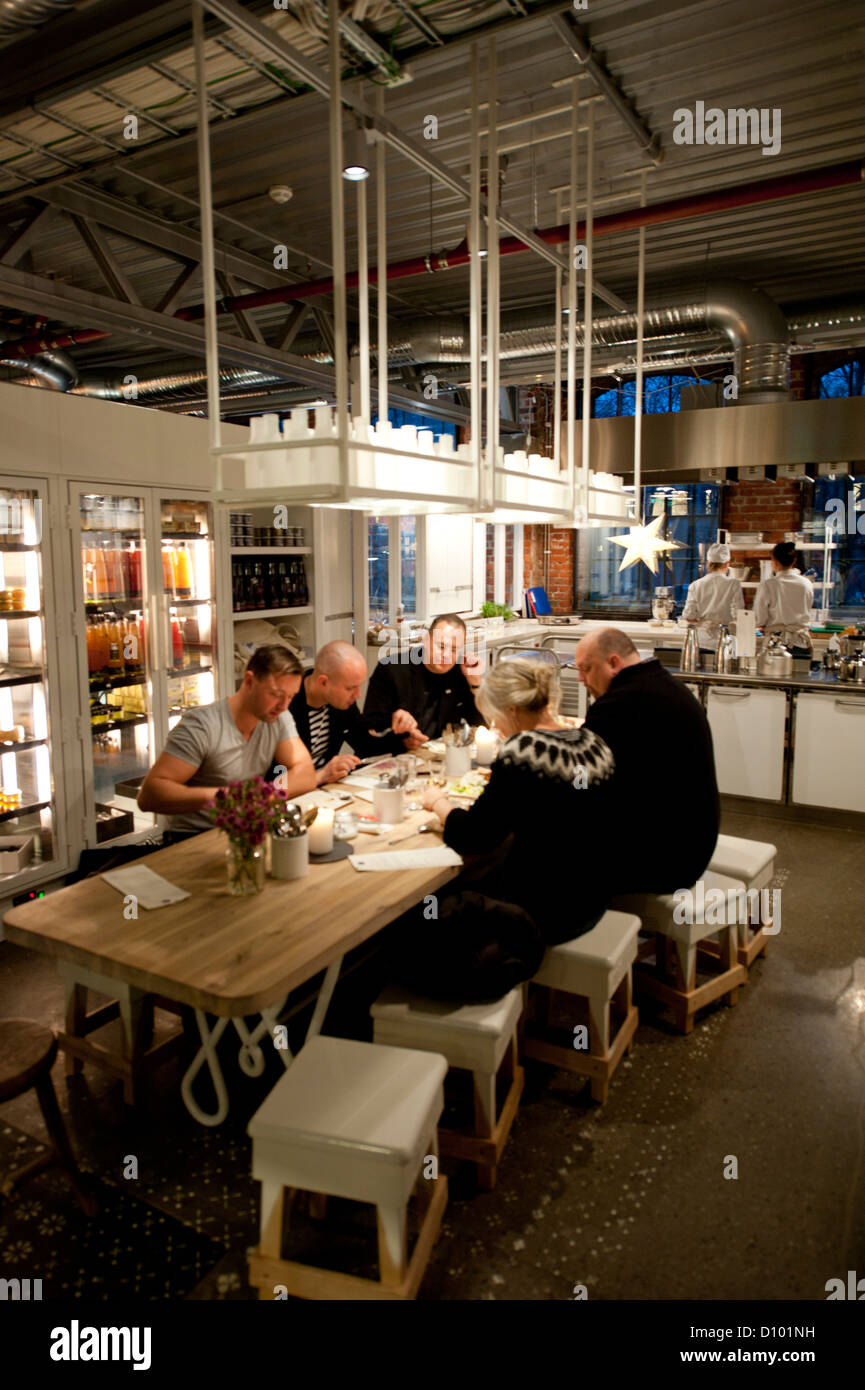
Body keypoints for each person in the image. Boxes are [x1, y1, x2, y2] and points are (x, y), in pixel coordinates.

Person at [575, 627, 720, 895]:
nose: (582, 679)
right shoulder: (665, 684)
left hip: (664, 864)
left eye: (586, 669)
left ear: (614, 663)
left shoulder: (616, 706)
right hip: (695, 842)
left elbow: (580, 782)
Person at [138, 644, 315, 839]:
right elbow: (150, 796)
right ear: (249, 681)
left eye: (290, 697)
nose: (283, 705)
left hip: (243, 832)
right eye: (275, 694)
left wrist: (261, 797)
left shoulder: (278, 717)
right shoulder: (202, 726)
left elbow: (305, 774)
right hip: (193, 838)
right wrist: (222, 798)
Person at [289, 641, 403, 785]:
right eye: (350, 688)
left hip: (325, 789)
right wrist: (321, 775)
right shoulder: (287, 706)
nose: (358, 695)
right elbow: (276, 776)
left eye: (359, 686)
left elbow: (365, 744)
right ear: (323, 682)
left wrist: (400, 730)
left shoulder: (339, 703)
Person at [363, 612, 483, 749]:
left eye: (454, 650)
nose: (447, 655)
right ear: (427, 640)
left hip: (437, 755)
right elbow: (370, 729)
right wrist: (400, 740)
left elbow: (480, 728)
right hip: (396, 756)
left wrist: (475, 684)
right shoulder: (392, 669)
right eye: (441, 646)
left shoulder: (459, 671)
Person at [753, 541, 815, 650]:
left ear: (775, 561)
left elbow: (759, 619)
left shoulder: (769, 585)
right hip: (801, 643)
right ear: (794, 560)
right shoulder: (806, 583)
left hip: (777, 643)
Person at [682, 542, 744, 649]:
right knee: (729, 665)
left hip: (702, 638)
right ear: (727, 564)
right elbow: (739, 613)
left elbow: (688, 615)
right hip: (727, 637)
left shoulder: (695, 585)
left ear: (709, 563)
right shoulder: (734, 583)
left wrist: (701, 619)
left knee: (702, 665)